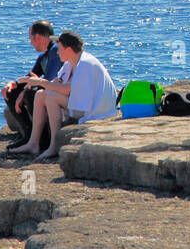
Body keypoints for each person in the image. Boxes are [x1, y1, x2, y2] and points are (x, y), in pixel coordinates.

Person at [12, 31, 119, 161]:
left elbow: (68, 90)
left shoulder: (85, 64)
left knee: (52, 97)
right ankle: (33, 143)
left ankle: (54, 146)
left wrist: (41, 82)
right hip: (84, 105)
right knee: (40, 94)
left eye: (60, 49)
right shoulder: (70, 64)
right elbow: (57, 82)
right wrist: (33, 83)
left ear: (68, 49)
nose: (57, 52)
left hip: (96, 111)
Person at [1, 21, 63, 141]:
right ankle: (28, 134)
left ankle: (42, 139)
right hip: (48, 89)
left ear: (38, 37)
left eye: (31, 38)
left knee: (30, 93)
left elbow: (48, 81)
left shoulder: (56, 50)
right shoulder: (43, 56)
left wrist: (23, 92)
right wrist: (13, 83)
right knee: (11, 92)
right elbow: (30, 77)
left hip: (59, 92)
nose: (31, 43)